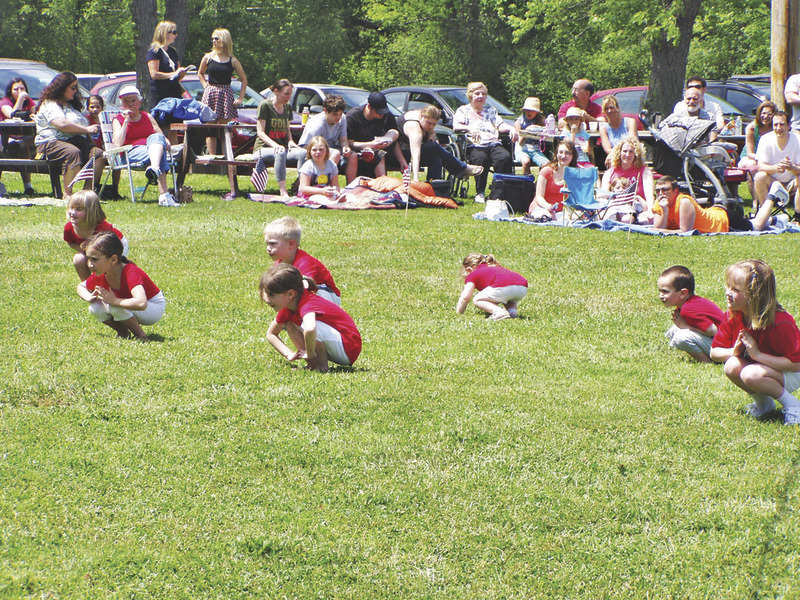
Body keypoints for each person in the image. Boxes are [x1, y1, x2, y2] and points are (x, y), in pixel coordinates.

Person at [710, 260, 800, 425]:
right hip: (766, 369)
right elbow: (714, 352)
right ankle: (764, 404)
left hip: (792, 373)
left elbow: (795, 365)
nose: (727, 292)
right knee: (731, 365)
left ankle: (793, 404)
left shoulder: (780, 322)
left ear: (755, 294)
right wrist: (734, 352)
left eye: (735, 289)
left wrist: (757, 355)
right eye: (727, 286)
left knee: (750, 374)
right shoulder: (733, 314)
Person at [260, 263, 361, 373]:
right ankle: (312, 364)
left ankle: (321, 366)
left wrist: (310, 353)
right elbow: (271, 334)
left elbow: (311, 329)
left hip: (348, 347)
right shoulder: (288, 308)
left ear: (290, 294)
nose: (266, 299)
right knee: (289, 323)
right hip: (337, 345)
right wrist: (289, 354)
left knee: (308, 325)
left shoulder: (307, 303)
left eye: (271, 295)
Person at [76, 232, 165, 341]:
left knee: (113, 306)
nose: (90, 264)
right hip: (132, 304)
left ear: (113, 259)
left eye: (94, 259)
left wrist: (114, 301)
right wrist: (88, 297)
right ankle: (123, 332)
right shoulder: (102, 272)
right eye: (88, 259)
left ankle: (141, 336)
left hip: (153, 307)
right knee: (95, 307)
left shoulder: (130, 271)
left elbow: (141, 303)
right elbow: (81, 287)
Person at [34, 71, 104, 198]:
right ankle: (68, 194)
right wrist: (86, 129)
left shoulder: (72, 106)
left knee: (98, 155)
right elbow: (61, 124)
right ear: (62, 88)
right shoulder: (50, 104)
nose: (75, 91)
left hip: (75, 140)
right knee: (73, 152)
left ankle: (87, 193)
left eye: (76, 88)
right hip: (50, 142)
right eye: (72, 88)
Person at [112, 85, 179, 207]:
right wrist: (126, 121)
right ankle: (164, 195)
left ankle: (154, 168)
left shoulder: (147, 116)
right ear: (122, 104)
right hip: (130, 153)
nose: (130, 104)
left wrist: (166, 140)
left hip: (152, 152)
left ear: (139, 102)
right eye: (126, 101)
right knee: (160, 152)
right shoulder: (118, 120)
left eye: (133, 101)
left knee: (158, 139)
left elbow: (161, 136)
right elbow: (117, 144)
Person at [452, 82, 517, 203]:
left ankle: (499, 190)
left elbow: (500, 125)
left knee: (504, 157)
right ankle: (480, 192)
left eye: (483, 94)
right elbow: (456, 126)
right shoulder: (463, 110)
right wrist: (469, 128)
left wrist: (511, 128)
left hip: (493, 143)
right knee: (481, 159)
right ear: (470, 95)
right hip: (475, 144)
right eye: (477, 93)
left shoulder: (491, 110)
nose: (480, 96)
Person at [652, 175, 778, 233]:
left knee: (757, 226)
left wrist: (662, 231)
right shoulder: (660, 203)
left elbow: (685, 231)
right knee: (755, 222)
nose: (661, 193)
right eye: (658, 190)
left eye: (665, 189)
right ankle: (775, 220)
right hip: (713, 213)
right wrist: (665, 211)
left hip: (722, 221)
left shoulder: (684, 201)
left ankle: (773, 193)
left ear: (675, 191)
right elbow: (658, 228)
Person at [263, 216, 341, 305]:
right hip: (311, 294)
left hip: (328, 295)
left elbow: (308, 284)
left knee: (297, 293)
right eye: (267, 244)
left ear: (291, 244)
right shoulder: (279, 264)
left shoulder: (304, 262)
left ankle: (311, 316)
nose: (268, 248)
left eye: (272, 244)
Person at [397, 104, 482, 181]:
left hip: (408, 151)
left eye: (434, 124)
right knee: (433, 147)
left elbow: (433, 132)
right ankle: (461, 168)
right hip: (397, 156)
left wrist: (430, 138)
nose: (431, 126)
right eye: (429, 123)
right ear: (422, 116)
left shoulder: (423, 116)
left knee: (436, 157)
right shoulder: (414, 127)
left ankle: (434, 188)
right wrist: (416, 179)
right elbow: (415, 156)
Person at [657, 265, 724, 363]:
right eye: (660, 291)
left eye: (665, 292)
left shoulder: (688, 309)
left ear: (683, 293)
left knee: (681, 337)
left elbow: (714, 331)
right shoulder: (686, 303)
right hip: (718, 342)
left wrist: (686, 327)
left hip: (723, 347)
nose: (661, 296)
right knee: (674, 330)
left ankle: (708, 362)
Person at [197, 28, 247, 155]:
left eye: (217, 39)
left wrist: (240, 98)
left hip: (225, 93)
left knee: (225, 129)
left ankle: (226, 158)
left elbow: (243, 79)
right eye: (213, 39)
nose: (214, 41)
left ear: (224, 41)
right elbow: (200, 73)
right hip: (211, 93)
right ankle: (212, 157)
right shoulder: (208, 57)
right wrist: (205, 86)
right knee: (210, 128)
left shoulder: (232, 60)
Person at [253, 78, 306, 198]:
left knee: (302, 153)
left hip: (282, 147)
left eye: (290, 94)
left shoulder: (287, 107)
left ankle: (300, 186)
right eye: (286, 93)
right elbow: (260, 132)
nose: (289, 97)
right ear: (276, 91)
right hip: (263, 149)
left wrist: (291, 141)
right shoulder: (265, 105)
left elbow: (287, 129)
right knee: (280, 152)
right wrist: (275, 145)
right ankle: (283, 190)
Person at [64, 189, 129, 280]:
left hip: (115, 246)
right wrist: (83, 248)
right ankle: (89, 286)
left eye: (79, 209)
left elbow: (113, 246)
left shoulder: (101, 228)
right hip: (94, 250)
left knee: (106, 266)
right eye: (71, 208)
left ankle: (112, 284)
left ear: (91, 211)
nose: (73, 212)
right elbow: (71, 243)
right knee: (79, 259)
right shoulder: (69, 228)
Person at [345, 91, 407, 183]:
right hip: (358, 151)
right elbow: (350, 142)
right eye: (378, 112)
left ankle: (383, 186)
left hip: (380, 150)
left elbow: (394, 142)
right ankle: (381, 185)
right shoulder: (353, 117)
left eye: (383, 111)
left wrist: (402, 161)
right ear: (369, 106)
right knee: (379, 154)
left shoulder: (386, 116)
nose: (381, 115)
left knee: (380, 152)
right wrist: (371, 144)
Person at [753, 110, 800, 219]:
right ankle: (765, 215)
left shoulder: (798, 139)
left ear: (789, 125)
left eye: (782, 124)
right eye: (775, 125)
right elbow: (760, 166)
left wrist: (791, 167)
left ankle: (798, 216)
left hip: (792, 183)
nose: (778, 128)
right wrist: (776, 168)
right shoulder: (765, 139)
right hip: (772, 182)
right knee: (760, 176)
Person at [456, 253, 528, 321]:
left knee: (477, 299)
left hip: (503, 286)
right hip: (522, 286)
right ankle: (512, 312)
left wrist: (458, 314)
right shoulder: (494, 269)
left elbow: (465, 298)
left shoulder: (473, 274)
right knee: (507, 297)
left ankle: (499, 312)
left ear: (469, 270)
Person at [600, 137, 655, 224]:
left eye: (631, 152)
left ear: (636, 154)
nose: (627, 155)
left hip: (637, 208)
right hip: (614, 207)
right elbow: (603, 195)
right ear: (619, 152)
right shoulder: (610, 172)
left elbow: (649, 194)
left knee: (644, 220)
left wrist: (650, 210)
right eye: (625, 151)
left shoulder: (644, 171)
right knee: (606, 217)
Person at [0, 77, 37, 195]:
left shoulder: (29, 102)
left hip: (23, 138)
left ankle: (28, 187)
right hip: (5, 137)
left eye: (22, 88)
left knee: (25, 145)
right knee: (21, 149)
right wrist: (21, 98)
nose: (20, 91)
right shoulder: (5, 102)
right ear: (10, 91)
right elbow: (11, 114)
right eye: (16, 89)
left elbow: (35, 114)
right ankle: (27, 186)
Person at [297, 94, 351, 172]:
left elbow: (343, 139)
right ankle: (323, 178)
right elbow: (307, 147)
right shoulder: (317, 124)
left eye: (340, 114)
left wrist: (346, 147)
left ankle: (350, 184)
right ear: (325, 111)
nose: (338, 117)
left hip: (331, 147)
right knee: (336, 153)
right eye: (335, 114)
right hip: (315, 149)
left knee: (353, 155)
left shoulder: (342, 118)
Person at [527, 139, 577, 221]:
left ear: (573, 155)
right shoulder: (546, 171)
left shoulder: (575, 174)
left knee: (576, 216)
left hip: (562, 211)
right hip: (542, 207)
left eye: (567, 153)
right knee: (545, 216)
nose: (563, 156)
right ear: (556, 154)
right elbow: (539, 196)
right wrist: (547, 206)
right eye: (560, 152)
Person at [85, 94, 123, 200]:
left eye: (98, 107)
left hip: (106, 150)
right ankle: (95, 187)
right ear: (87, 108)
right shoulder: (86, 120)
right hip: (93, 152)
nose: (95, 110)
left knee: (116, 157)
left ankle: (115, 188)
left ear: (102, 108)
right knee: (100, 156)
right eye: (92, 107)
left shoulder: (106, 121)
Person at [738, 100, 776, 204]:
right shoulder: (752, 127)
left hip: (767, 157)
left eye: (769, 114)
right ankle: (756, 200)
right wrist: (761, 159)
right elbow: (750, 153)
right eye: (763, 113)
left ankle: (775, 197)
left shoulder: (775, 128)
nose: (766, 116)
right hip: (750, 157)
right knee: (753, 167)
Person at [147, 21, 189, 110]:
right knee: (162, 121)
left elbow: (177, 74)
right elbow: (154, 74)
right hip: (161, 95)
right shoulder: (155, 51)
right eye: (173, 32)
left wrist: (181, 73)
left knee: (177, 121)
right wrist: (173, 74)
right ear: (165, 33)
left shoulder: (173, 51)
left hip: (175, 94)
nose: (176, 35)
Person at [296, 136, 341, 203]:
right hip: (309, 194)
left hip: (325, 192)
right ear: (309, 151)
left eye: (321, 149)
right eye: (314, 150)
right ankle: (333, 202)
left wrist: (334, 190)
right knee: (319, 198)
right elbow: (304, 189)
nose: (317, 152)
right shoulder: (308, 166)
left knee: (346, 195)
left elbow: (335, 185)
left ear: (326, 150)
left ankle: (334, 200)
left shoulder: (332, 165)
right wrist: (321, 191)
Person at [597, 95, 637, 165]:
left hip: (632, 157)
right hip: (616, 159)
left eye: (612, 107)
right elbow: (607, 149)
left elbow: (632, 142)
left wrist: (614, 153)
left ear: (618, 108)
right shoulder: (603, 128)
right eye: (606, 109)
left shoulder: (630, 122)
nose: (609, 111)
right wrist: (615, 154)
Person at [514, 97, 548, 175]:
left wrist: (540, 128)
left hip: (536, 149)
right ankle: (526, 183)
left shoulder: (541, 120)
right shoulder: (519, 122)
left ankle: (538, 184)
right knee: (526, 162)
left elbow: (549, 130)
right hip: (522, 149)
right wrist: (527, 132)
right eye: (527, 110)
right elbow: (520, 143)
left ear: (536, 112)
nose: (529, 112)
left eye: (532, 111)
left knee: (546, 164)